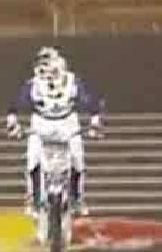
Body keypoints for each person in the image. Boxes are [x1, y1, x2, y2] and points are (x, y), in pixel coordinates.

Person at [6, 46, 104, 217]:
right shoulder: (33, 85)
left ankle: (77, 198)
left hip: (68, 123)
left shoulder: (73, 82)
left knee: (77, 161)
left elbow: (88, 101)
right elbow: (16, 104)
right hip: (41, 123)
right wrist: (12, 122)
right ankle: (33, 198)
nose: (45, 72)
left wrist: (95, 121)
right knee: (33, 161)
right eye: (42, 66)